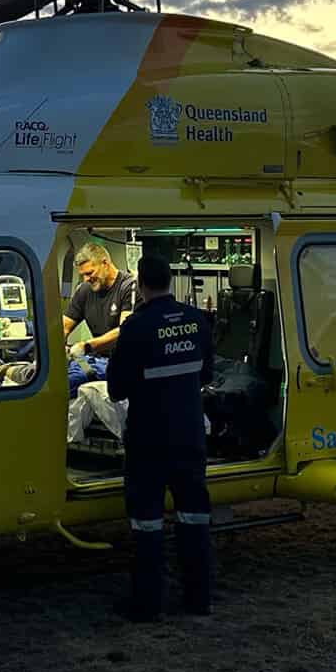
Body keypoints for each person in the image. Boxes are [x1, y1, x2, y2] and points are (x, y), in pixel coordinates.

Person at [104, 256, 213, 621]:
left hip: (149, 439)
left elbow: (116, 390)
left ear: (141, 285)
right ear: (169, 279)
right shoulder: (197, 321)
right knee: (194, 517)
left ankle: (148, 605)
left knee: (147, 523)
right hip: (189, 435)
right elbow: (206, 372)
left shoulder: (136, 327)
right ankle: (199, 600)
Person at [62, 242, 136, 357]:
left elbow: (125, 332)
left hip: (126, 359)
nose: (86, 279)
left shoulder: (129, 287)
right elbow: (64, 326)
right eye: (83, 275)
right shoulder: (84, 290)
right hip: (100, 359)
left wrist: (87, 346)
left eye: (89, 273)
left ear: (105, 264)